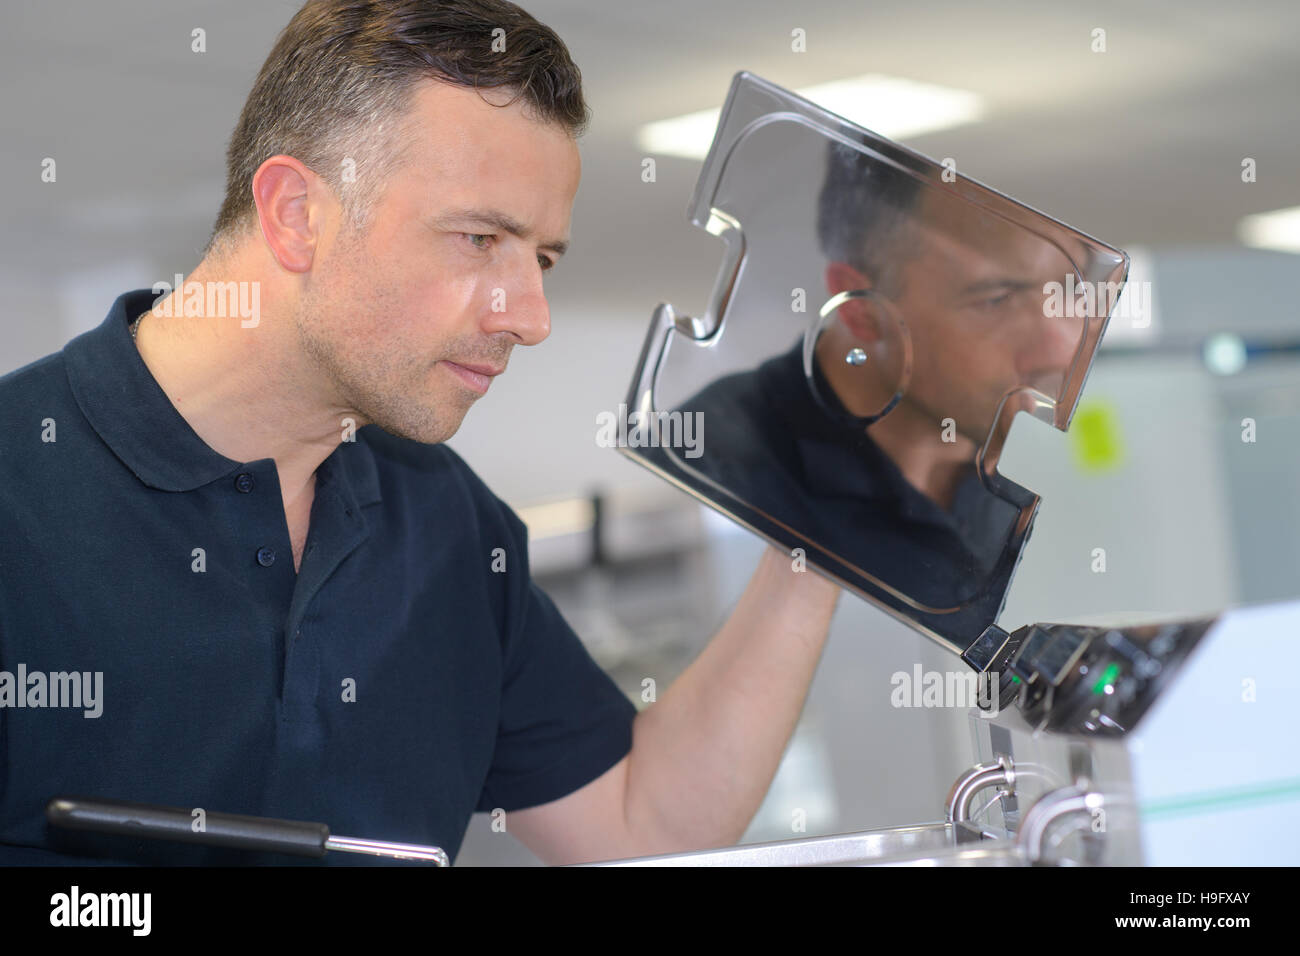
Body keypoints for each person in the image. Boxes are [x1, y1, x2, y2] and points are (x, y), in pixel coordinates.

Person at [0, 0, 839, 866]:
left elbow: (644, 823)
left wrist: (817, 547)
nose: (533, 318)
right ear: (296, 215)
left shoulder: (445, 521)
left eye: (542, 259)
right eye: (480, 238)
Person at [659, 141, 1086, 648]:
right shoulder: (705, 460)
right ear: (862, 309)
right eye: (995, 299)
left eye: (1067, 293)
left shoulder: (1020, 469)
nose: (1058, 351)